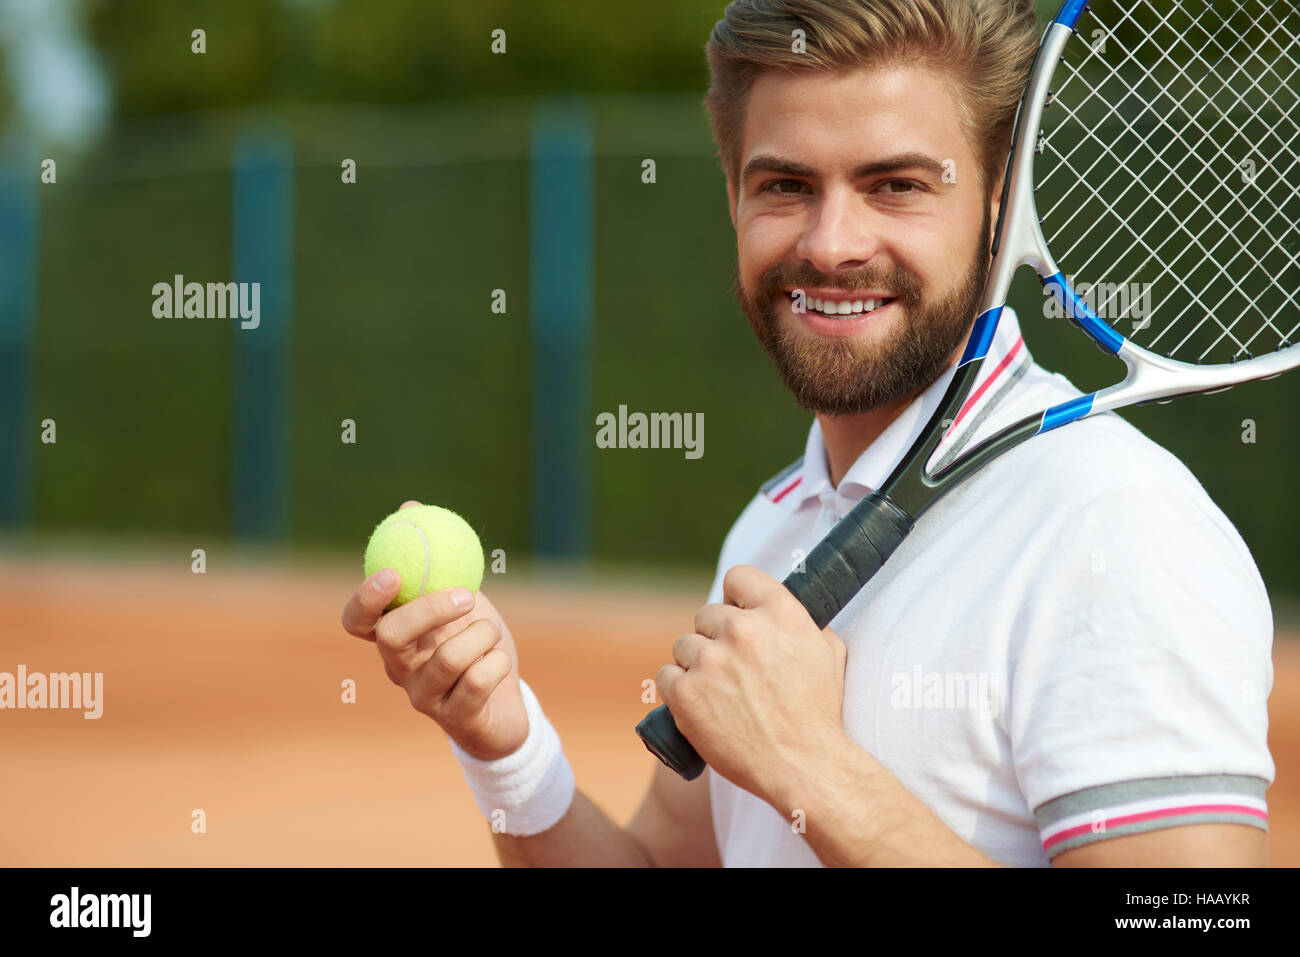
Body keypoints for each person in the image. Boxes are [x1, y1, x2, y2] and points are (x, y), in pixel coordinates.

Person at [341, 0, 1273, 866]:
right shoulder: (778, 520)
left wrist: (809, 768)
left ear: (998, 210)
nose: (831, 243)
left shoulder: (1117, 527)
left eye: (896, 185)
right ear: (734, 207)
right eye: (786, 184)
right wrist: (502, 741)